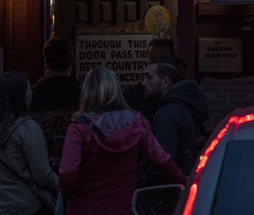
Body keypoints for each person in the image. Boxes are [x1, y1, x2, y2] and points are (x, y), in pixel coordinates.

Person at [58, 66, 186, 215]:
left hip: (83, 208)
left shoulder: (78, 128)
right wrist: (184, 181)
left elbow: (68, 173)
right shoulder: (137, 124)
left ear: (86, 92)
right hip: (123, 208)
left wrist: (65, 191)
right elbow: (162, 162)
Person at [0, 71, 59, 215]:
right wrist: (60, 184)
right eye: (28, 88)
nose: (31, 92)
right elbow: (42, 175)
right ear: (19, 96)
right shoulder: (28, 128)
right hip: (25, 206)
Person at [138, 56, 209, 186]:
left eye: (149, 77)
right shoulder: (185, 107)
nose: (143, 83)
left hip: (164, 194)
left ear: (165, 81)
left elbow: (160, 165)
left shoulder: (167, 114)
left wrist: (142, 185)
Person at [31, 37, 80, 171]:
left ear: (46, 63)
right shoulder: (82, 92)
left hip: (42, 164)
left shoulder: (38, 91)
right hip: (75, 161)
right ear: (72, 60)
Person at [122, 38, 180, 118]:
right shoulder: (134, 96)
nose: (154, 63)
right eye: (152, 58)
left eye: (161, 59)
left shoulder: (182, 98)